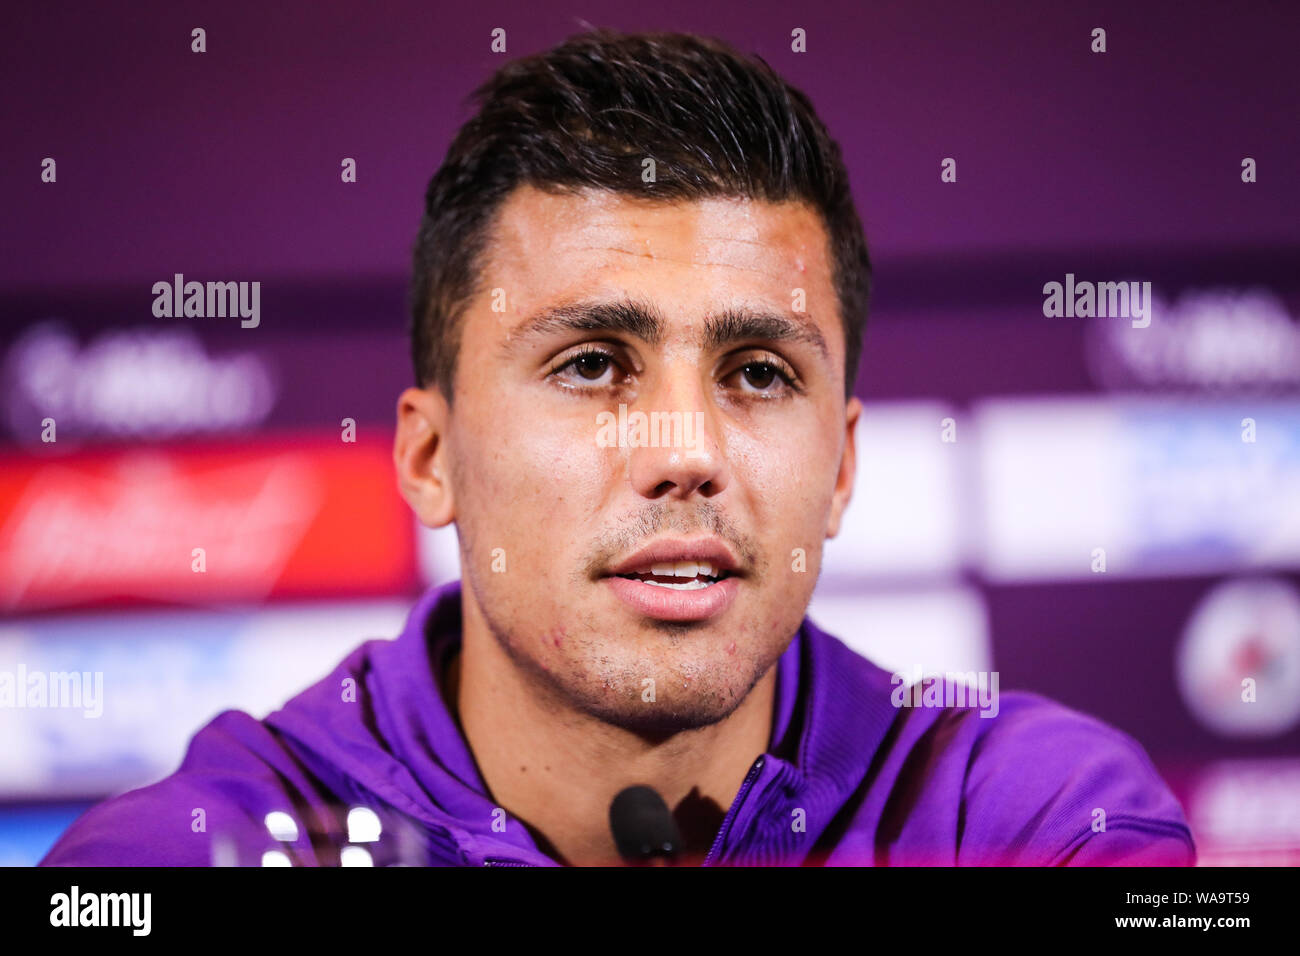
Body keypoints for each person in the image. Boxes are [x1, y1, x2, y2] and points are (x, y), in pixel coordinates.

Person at [40, 29, 1194, 867]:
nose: (683, 450)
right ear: (430, 457)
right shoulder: (189, 856)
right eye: (591, 363)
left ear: (841, 468)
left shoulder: (1039, 820)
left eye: (757, 373)